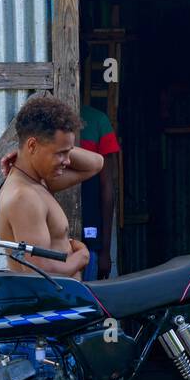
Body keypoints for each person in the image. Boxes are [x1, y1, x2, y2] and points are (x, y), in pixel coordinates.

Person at [0, 95, 104, 380]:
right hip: (34, 332)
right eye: (57, 151)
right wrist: (79, 260)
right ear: (34, 146)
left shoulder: (38, 182)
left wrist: (48, 149)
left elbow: (94, 163)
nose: (66, 161)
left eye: (66, 151)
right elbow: (41, 268)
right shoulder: (23, 196)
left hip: (53, 329)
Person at [77, 103, 121, 281]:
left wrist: (105, 251)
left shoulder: (97, 120)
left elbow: (107, 188)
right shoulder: (49, 120)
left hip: (91, 238)